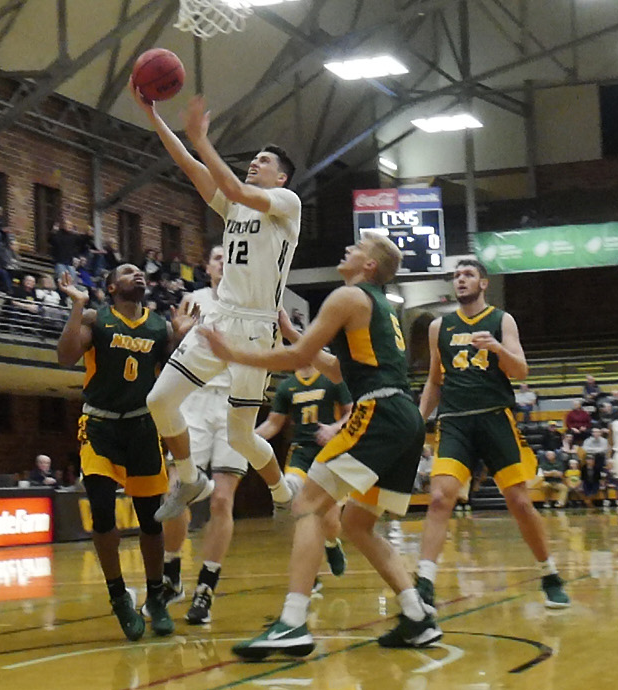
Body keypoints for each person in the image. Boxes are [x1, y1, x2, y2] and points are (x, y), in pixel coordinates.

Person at [200, 233, 441, 657]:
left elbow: (300, 361)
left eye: (359, 247)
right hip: (403, 417)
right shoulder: (378, 306)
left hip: (379, 412)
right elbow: (332, 366)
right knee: (357, 524)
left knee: (308, 504)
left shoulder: (347, 296)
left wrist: (231, 352)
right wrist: (293, 332)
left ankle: (292, 623)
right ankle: (416, 615)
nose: (348, 247)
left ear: (369, 266)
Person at [138, 92, 301, 522]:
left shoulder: (288, 205)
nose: (255, 163)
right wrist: (155, 118)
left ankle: (284, 492)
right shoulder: (234, 205)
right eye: (255, 159)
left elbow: (228, 183)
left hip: (256, 328)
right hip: (220, 320)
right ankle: (190, 477)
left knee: (242, 435)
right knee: (159, 401)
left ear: (282, 178)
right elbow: (192, 168)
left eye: (265, 161)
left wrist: (202, 138)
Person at [415, 259, 570, 609]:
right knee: (440, 498)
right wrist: (416, 422)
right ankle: (424, 582)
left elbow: (521, 370)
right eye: (456, 276)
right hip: (455, 420)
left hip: (494, 418)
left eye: (468, 275)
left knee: (519, 502)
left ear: (483, 283)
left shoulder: (502, 320)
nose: (461, 280)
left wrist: (498, 349)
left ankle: (549, 574)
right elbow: (434, 380)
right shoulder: (439, 326)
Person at [56, 262, 197, 641]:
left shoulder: (159, 326)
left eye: (140, 272)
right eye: (127, 271)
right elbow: (65, 356)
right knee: (102, 512)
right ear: (111, 285)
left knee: (150, 521)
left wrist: (182, 339)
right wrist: (76, 306)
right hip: (100, 425)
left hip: (141, 426)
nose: (137, 275)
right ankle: (118, 595)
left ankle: (155, 597)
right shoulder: (96, 318)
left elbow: (176, 377)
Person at [160, 246, 266, 626]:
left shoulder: (254, 301)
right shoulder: (194, 301)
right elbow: (174, 358)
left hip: (235, 402)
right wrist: (178, 335)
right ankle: (171, 574)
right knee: (176, 492)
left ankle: (206, 587)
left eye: (230, 256)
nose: (224, 261)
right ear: (207, 267)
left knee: (222, 501)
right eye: (217, 257)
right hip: (195, 399)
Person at [258, 340, 353, 602]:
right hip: (300, 454)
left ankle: (332, 545)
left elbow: (350, 412)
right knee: (295, 504)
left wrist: (334, 428)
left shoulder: (332, 379)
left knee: (330, 522)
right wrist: (247, 440)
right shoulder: (288, 386)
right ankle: (310, 575)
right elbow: (272, 424)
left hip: (330, 453)